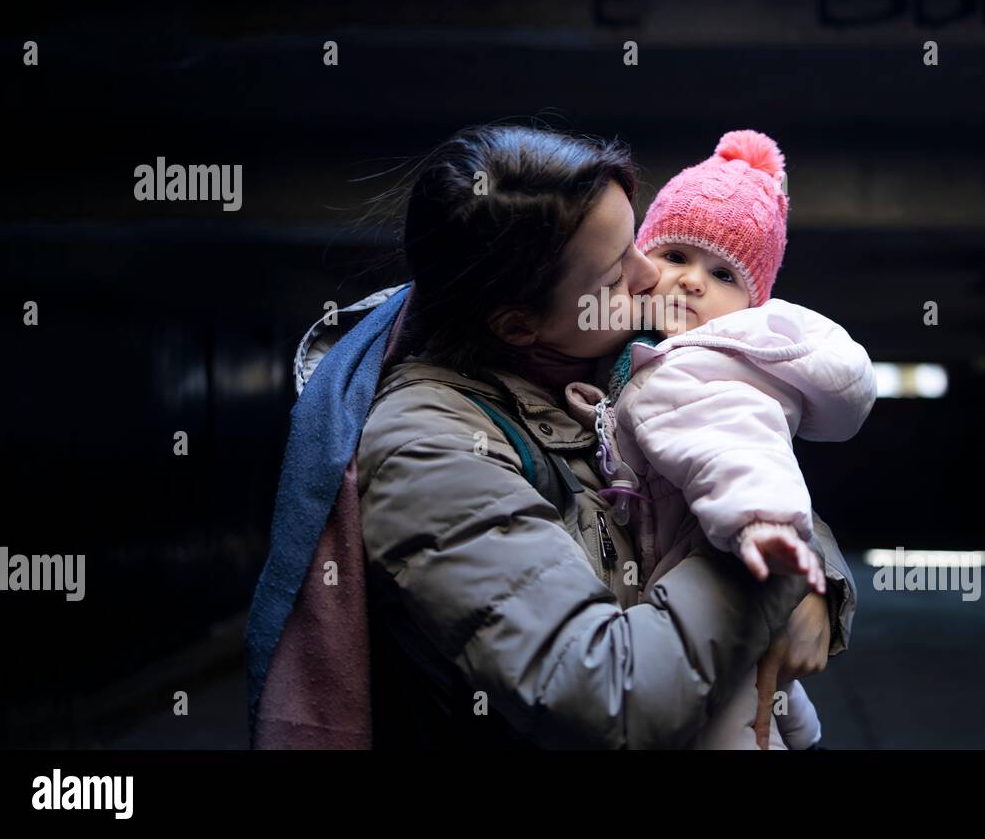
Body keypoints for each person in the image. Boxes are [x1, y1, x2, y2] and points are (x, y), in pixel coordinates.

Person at [350, 122, 857, 748]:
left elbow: (739, 452)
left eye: (637, 240)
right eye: (619, 270)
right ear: (518, 325)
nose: (655, 276)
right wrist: (776, 579)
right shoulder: (428, 446)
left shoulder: (620, 356)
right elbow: (609, 695)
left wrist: (821, 575)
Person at [564, 130, 877, 748]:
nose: (690, 282)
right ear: (637, 260)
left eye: (723, 273)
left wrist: (769, 528)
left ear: (753, 306)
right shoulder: (636, 352)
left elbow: (741, 450)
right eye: (674, 255)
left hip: (712, 576)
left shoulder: (696, 368)